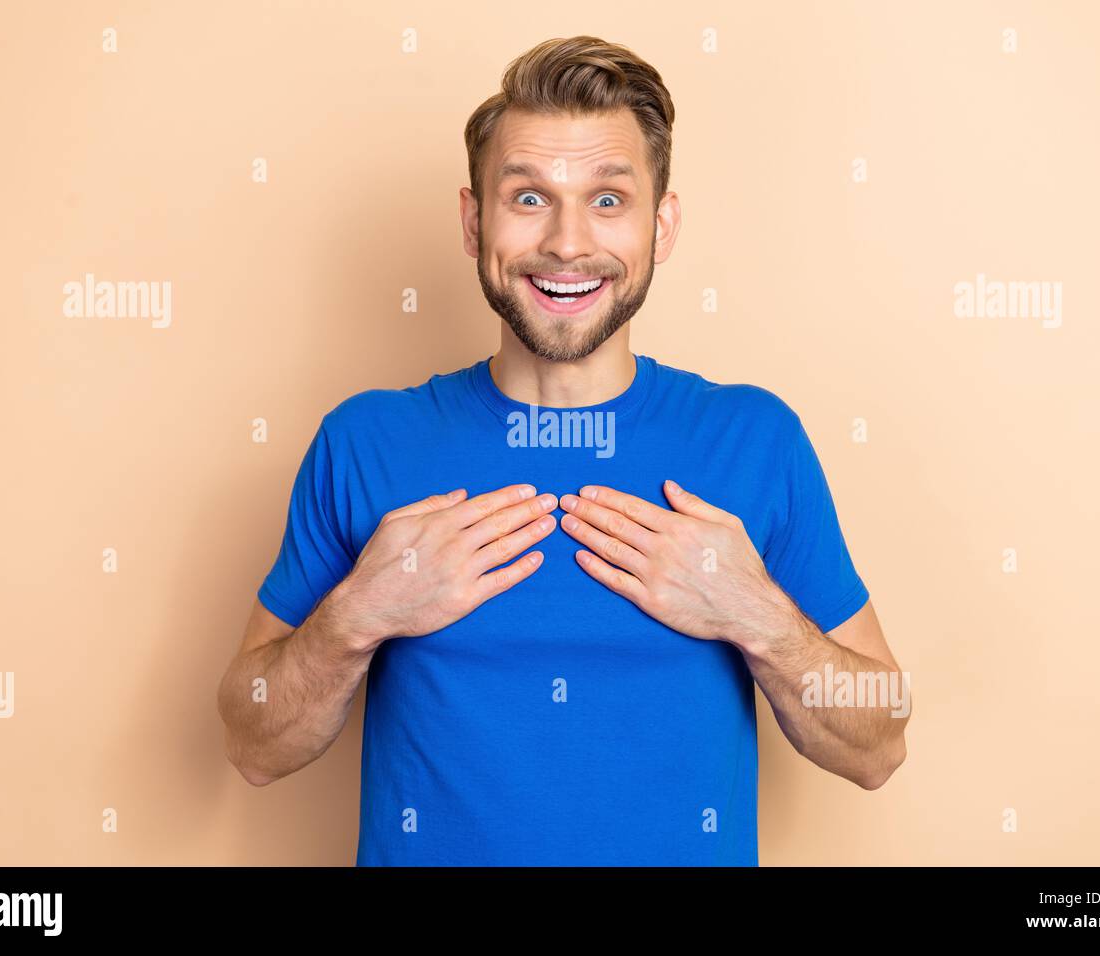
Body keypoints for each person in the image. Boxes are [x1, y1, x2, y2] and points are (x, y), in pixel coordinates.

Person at [217, 35, 907, 866]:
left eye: (608, 199)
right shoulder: (365, 442)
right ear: (474, 221)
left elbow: (878, 746)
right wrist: (356, 616)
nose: (569, 243)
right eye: (529, 198)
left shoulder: (755, 440)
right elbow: (253, 745)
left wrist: (757, 617)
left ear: (662, 224)